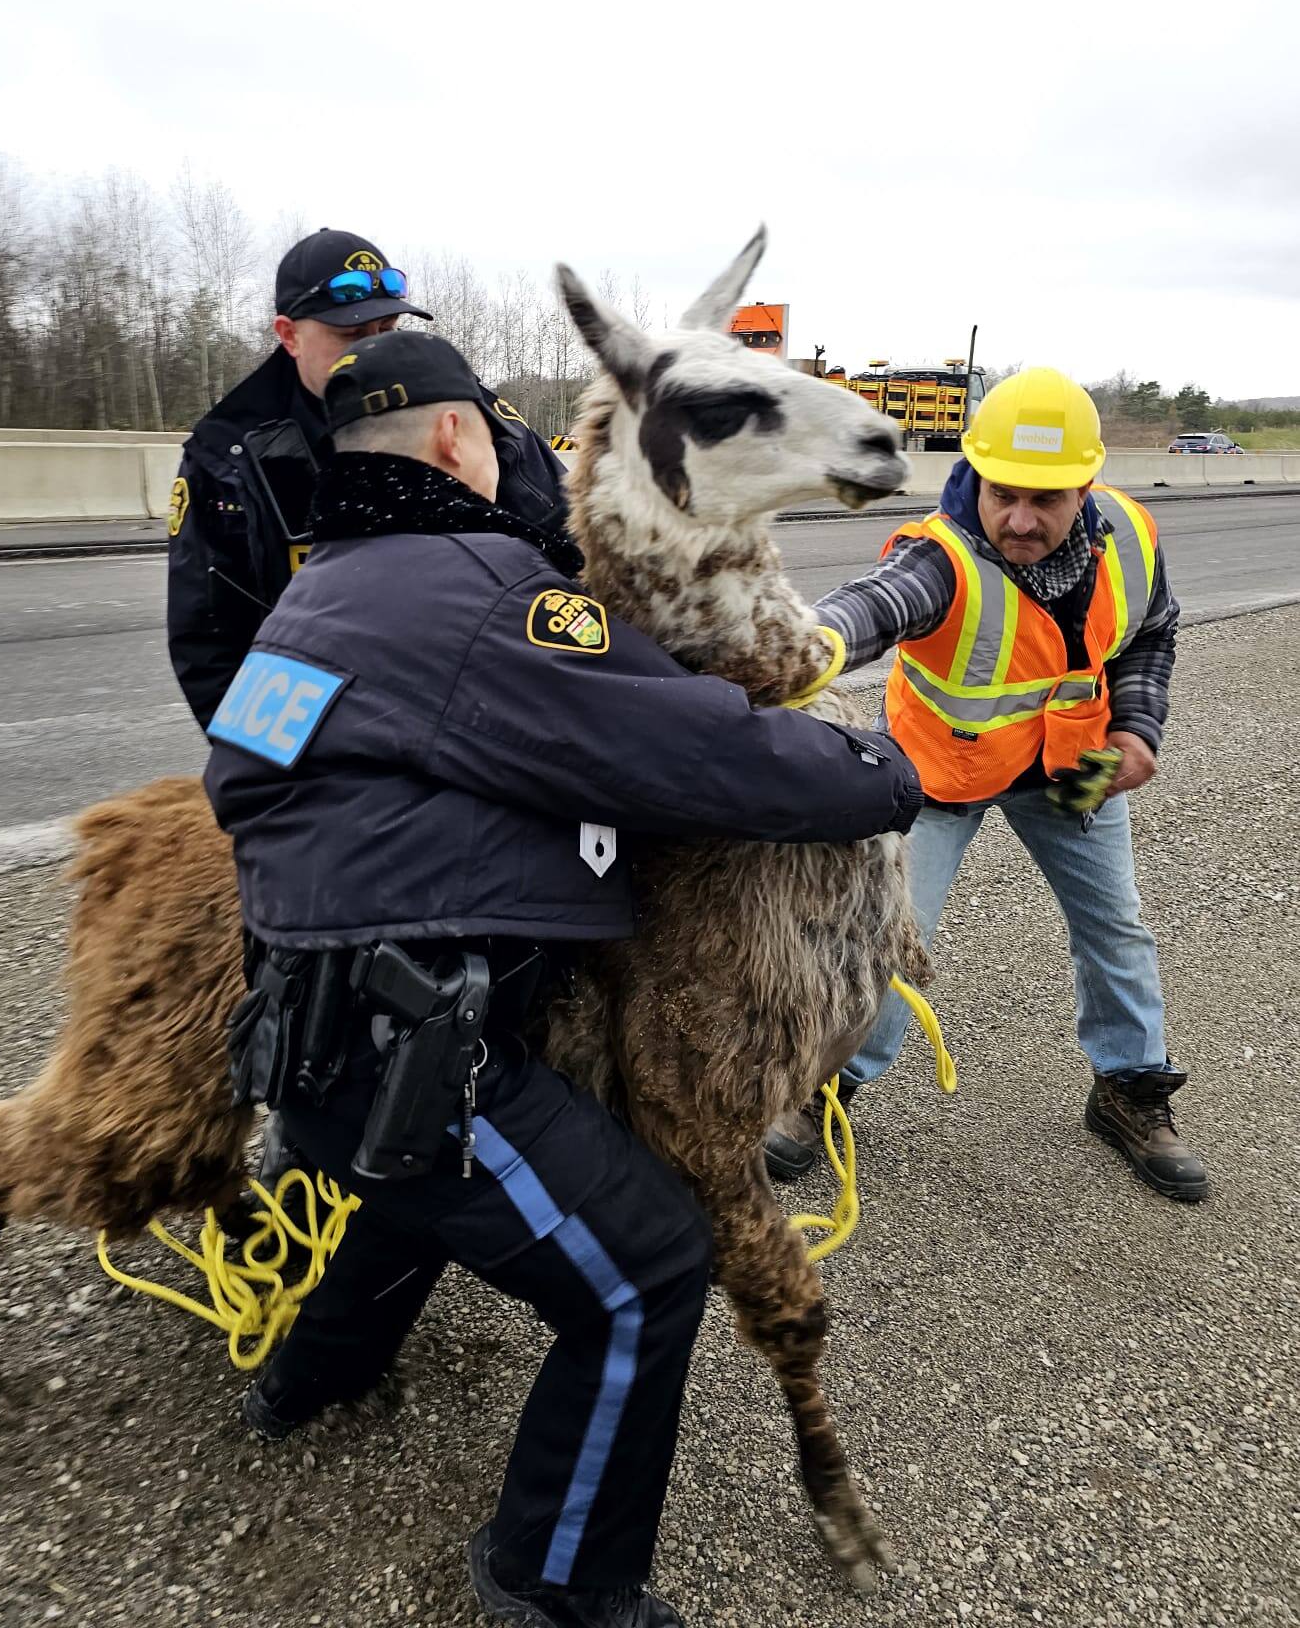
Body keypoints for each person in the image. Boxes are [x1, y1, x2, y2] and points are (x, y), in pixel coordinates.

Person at [203, 330, 923, 1628]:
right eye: (496, 426)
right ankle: (561, 1578)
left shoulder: (318, 594)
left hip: (301, 1049)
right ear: (449, 440)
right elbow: (695, 753)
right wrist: (878, 780)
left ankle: (306, 1382)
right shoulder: (487, 596)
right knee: (646, 1265)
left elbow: (243, 786)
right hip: (425, 1060)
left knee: (395, 1193)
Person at [763, 368, 1208, 1203]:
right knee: (886, 940)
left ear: (1085, 487)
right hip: (940, 773)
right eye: (1004, 494)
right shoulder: (942, 559)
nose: (1020, 519)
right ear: (978, 475)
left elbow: (1153, 632)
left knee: (1116, 928)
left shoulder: (1132, 538)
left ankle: (1129, 1090)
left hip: (1071, 770)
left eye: (1046, 500)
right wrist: (798, 645)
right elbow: (869, 609)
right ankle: (823, 1087)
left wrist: (1136, 728)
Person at [167, 227, 570, 731]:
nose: (376, 350)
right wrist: (273, 780)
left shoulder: (463, 405)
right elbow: (209, 642)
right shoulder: (227, 454)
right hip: (335, 722)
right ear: (289, 335)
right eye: (351, 336)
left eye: (387, 328)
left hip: (480, 702)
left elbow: (564, 529)